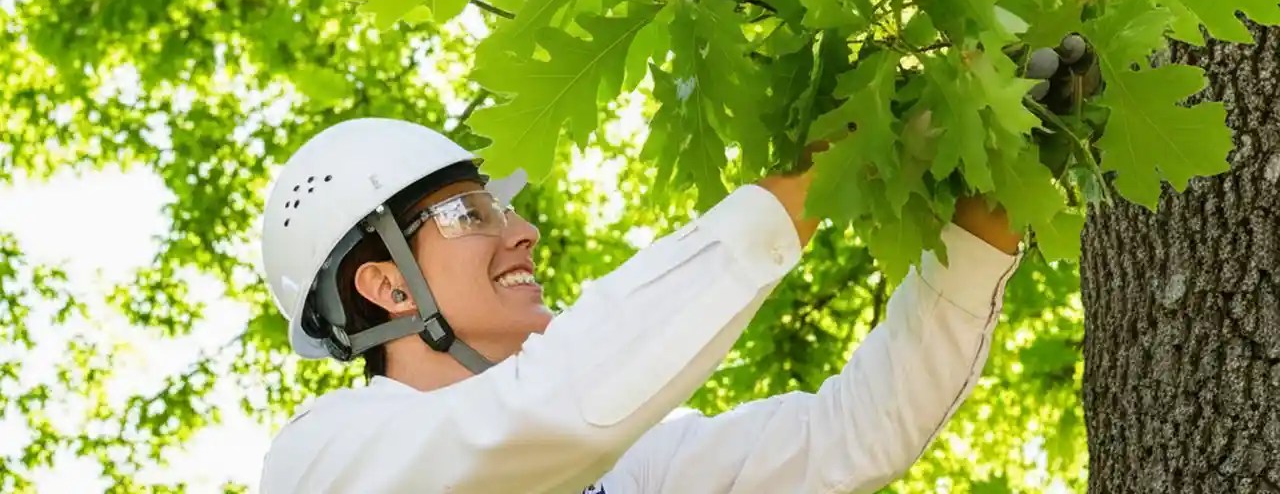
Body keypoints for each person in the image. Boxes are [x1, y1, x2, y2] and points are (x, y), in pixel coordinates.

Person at [257, 117, 1023, 493]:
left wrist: (986, 221)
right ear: (389, 287)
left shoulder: (631, 471)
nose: (523, 233)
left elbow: (849, 438)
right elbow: (552, 409)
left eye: (506, 209)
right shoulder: (323, 461)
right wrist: (807, 186)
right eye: (472, 213)